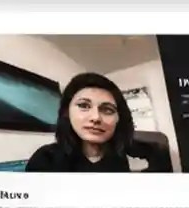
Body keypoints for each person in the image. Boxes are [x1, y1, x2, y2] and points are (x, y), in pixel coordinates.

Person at [26, 73, 168, 173]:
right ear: (67, 112)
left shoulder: (133, 151)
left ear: (119, 118)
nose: (96, 118)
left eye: (107, 109)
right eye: (83, 106)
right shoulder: (46, 159)